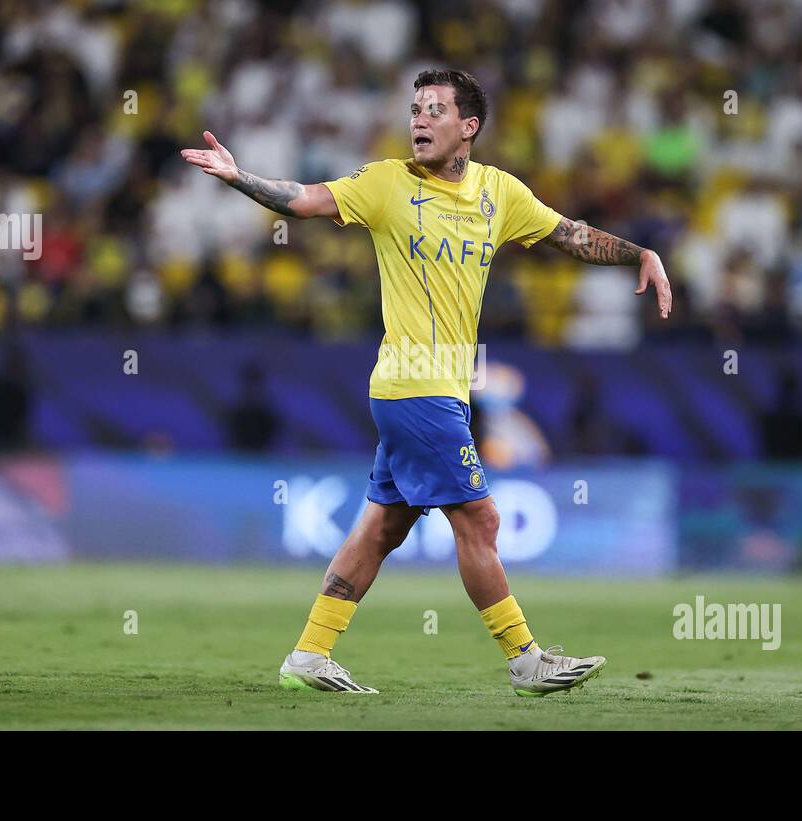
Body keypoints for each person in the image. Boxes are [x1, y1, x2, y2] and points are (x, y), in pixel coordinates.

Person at [181, 69, 671, 696]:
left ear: (469, 127)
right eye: (415, 108)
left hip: (440, 390)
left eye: (435, 110)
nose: (419, 119)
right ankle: (525, 660)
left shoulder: (500, 193)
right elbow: (302, 199)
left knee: (384, 526)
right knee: (481, 520)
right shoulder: (384, 183)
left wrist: (641, 254)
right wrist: (237, 175)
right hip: (413, 387)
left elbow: (570, 235)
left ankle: (309, 654)